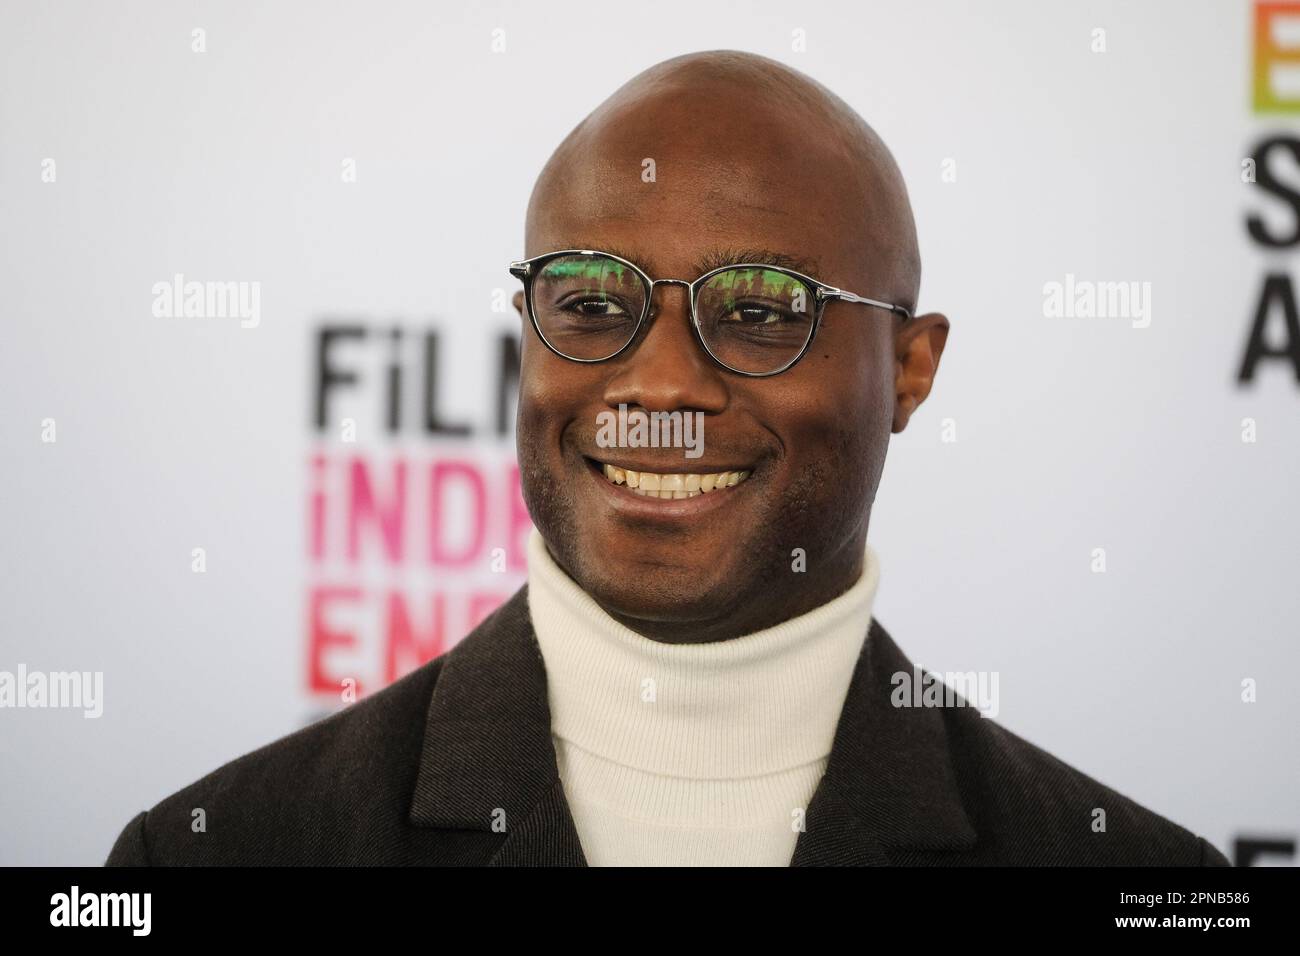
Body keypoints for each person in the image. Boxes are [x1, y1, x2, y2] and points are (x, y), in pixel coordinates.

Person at [106, 50, 1229, 867]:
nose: (661, 388)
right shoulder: (218, 851)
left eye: (758, 311)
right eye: (592, 302)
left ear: (912, 367)